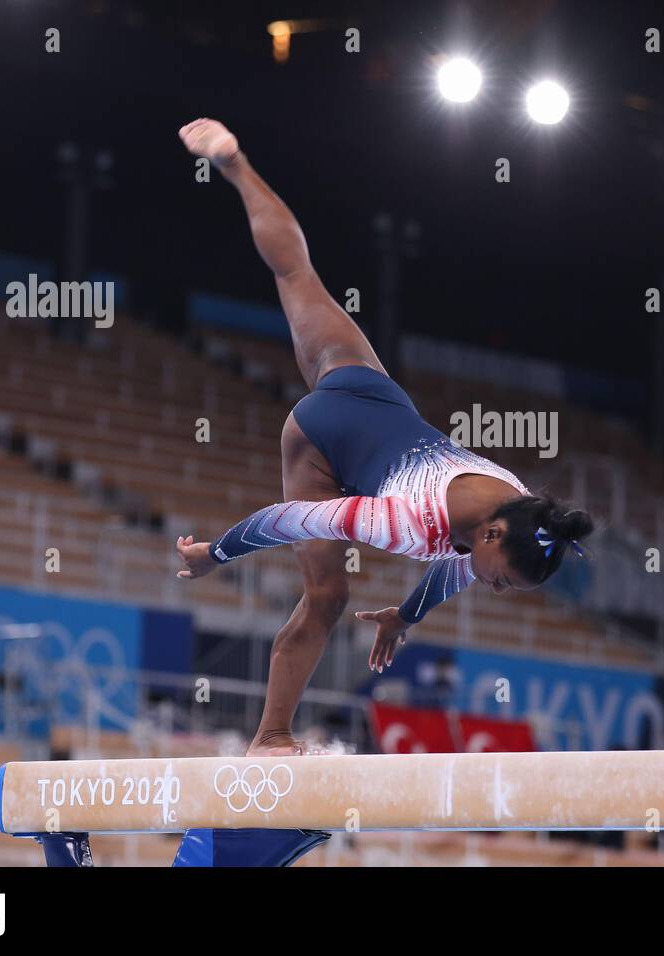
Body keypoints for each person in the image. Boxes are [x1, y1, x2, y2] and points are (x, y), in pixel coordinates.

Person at [173, 119, 593, 756]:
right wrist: (215, 554)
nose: (497, 589)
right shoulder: (406, 525)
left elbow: (457, 573)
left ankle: (236, 164)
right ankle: (271, 735)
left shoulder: (518, 504)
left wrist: (406, 615)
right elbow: (291, 517)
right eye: (504, 581)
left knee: (298, 275)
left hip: (370, 389)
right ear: (491, 536)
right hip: (318, 439)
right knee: (328, 595)